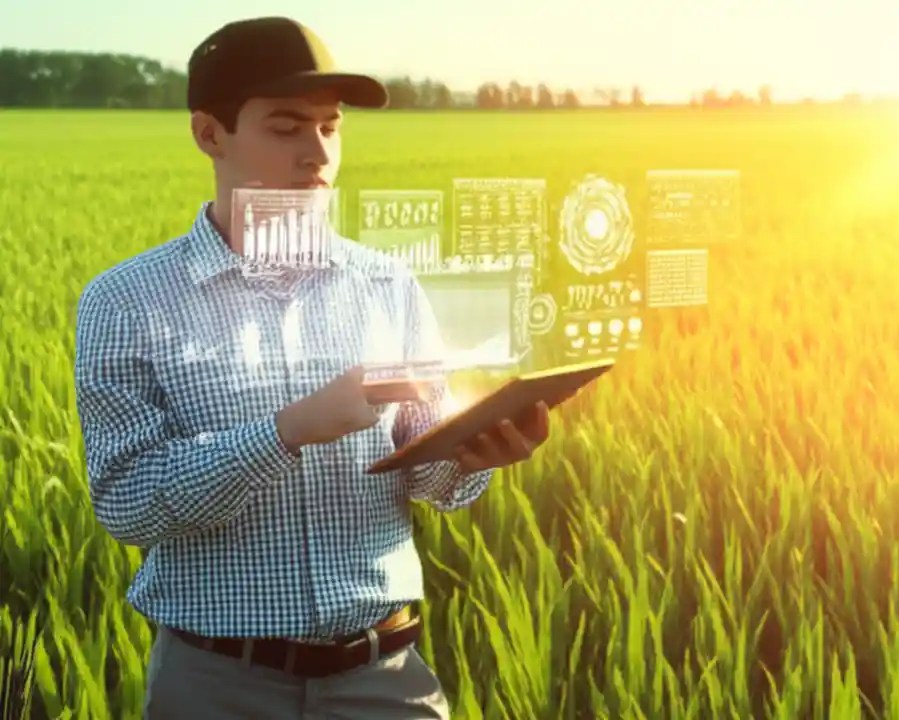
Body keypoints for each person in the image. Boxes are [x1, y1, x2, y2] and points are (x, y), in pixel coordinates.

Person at [73, 16, 555, 719]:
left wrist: (475, 451)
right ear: (210, 134)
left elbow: (428, 474)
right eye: (286, 127)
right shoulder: (127, 300)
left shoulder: (387, 284)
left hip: (386, 678)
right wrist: (287, 430)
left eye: (330, 127)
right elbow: (127, 502)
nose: (317, 153)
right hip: (216, 686)